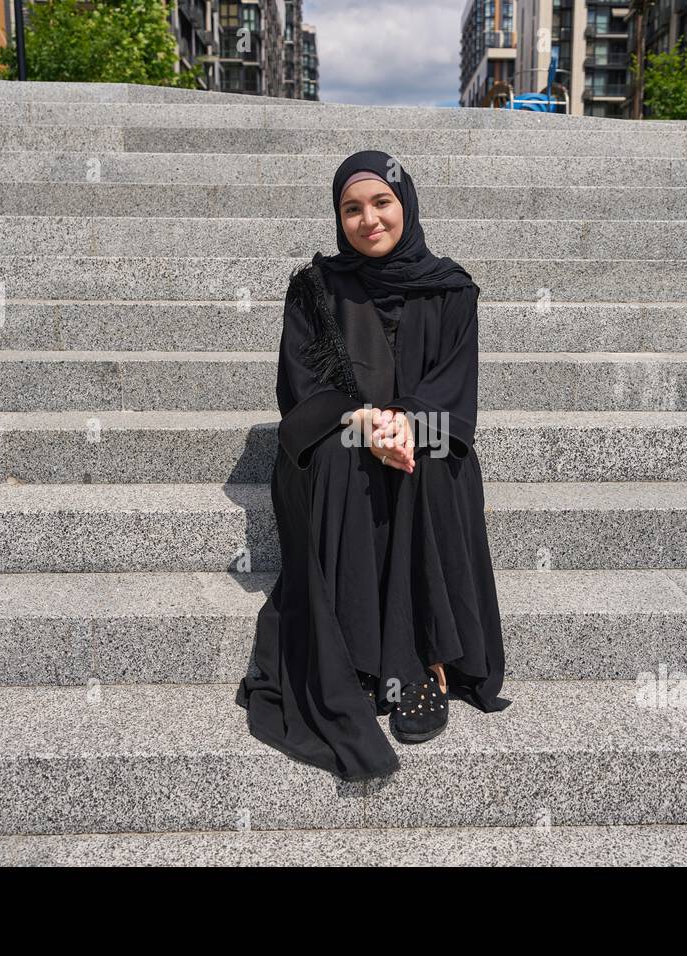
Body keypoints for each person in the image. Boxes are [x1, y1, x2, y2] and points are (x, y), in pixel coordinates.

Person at [234, 149, 512, 782]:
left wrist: (404, 422)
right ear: (339, 218)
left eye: (381, 203)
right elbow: (301, 389)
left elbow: (454, 391)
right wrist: (364, 421)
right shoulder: (314, 289)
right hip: (337, 431)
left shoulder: (451, 289)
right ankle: (359, 659)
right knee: (337, 457)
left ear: (405, 204)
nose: (368, 219)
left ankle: (420, 659)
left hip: (423, 428)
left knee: (437, 453)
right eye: (351, 208)